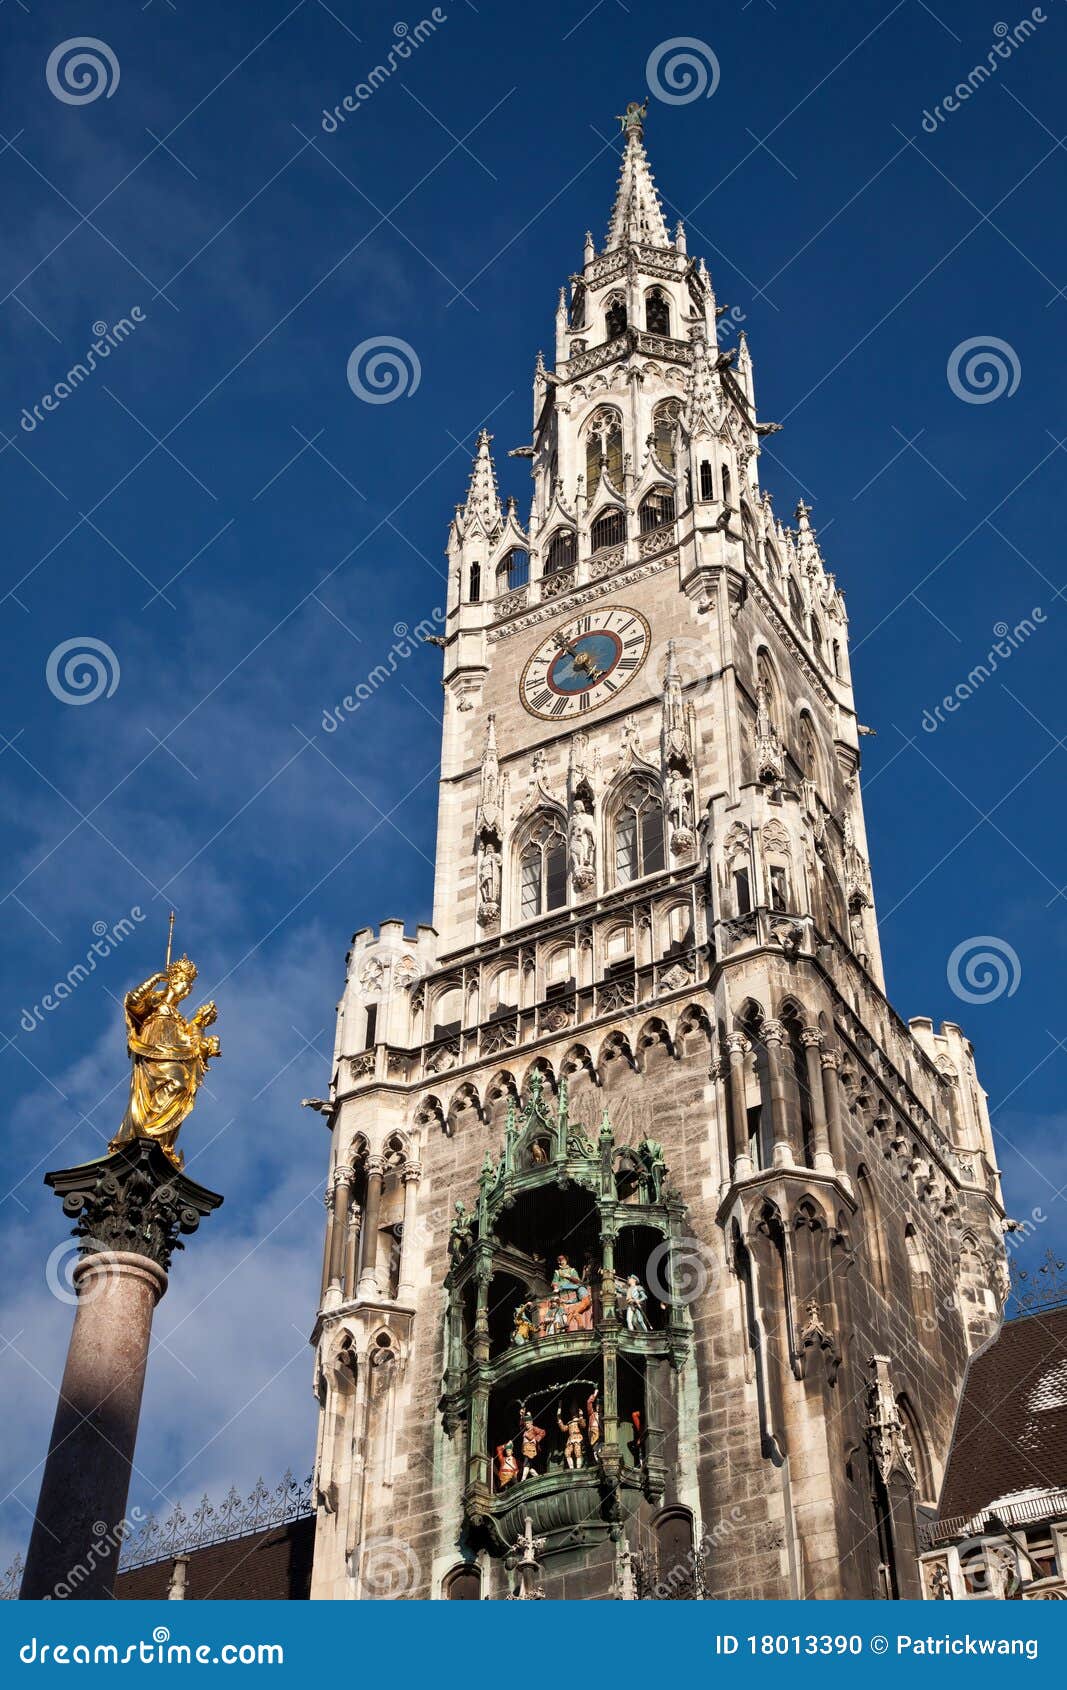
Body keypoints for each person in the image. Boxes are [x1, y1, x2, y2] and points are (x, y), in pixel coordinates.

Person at [557, 1405, 586, 1470]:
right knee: (567, 1452)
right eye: (572, 1412)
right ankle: (571, 1468)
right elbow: (564, 1429)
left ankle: (578, 1468)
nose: (573, 1413)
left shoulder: (578, 1420)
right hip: (570, 1439)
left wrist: (581, 1416)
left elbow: (583, 1425)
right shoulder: (569, 1422)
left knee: (577, 1452)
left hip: (577, 1437)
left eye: (574, 1412)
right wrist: (559, 1420)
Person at [518, 1411, 546, 1480]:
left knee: (526, 1463)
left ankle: (523, 1479)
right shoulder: (525, 1430)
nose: (526, 1425)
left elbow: (542, 1432)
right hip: (525, 1449)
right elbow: (521, 1425)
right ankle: (537, 1477)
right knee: (529, 1466)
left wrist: (535, 1439)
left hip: (531, 1449)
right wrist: (522, 1416)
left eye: (528, 1423)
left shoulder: (534, 1428)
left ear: (531, 1423)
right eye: (526, 1423)